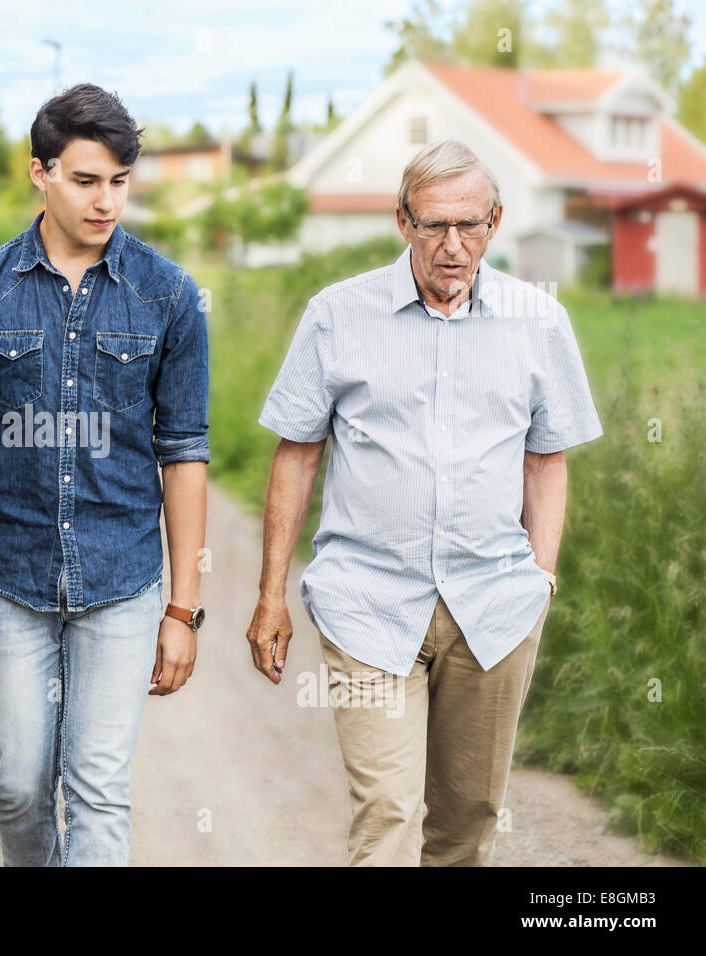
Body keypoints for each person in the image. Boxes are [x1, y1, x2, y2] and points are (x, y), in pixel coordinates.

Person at [246, 139, 602, 866]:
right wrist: (270, 596)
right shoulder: (337, 316)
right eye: (434, 225)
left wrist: (540, 579)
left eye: (469, 225)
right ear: (402, 221)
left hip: (494, 609)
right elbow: (298, 452)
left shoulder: (539, 322)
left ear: (496, 222)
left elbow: (546, 458)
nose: (451, 245)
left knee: (469, 821)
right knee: (388, 815)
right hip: (368, 602)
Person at [0, 84, 210, 866]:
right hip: (11, 582)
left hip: (123, 581)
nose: (106, 201)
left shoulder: (171, 296)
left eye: (119, 181)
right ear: (39, 174)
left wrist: (183, 609)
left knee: (97, 789)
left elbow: (184, 453)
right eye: (86, 180)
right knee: (18, 785)